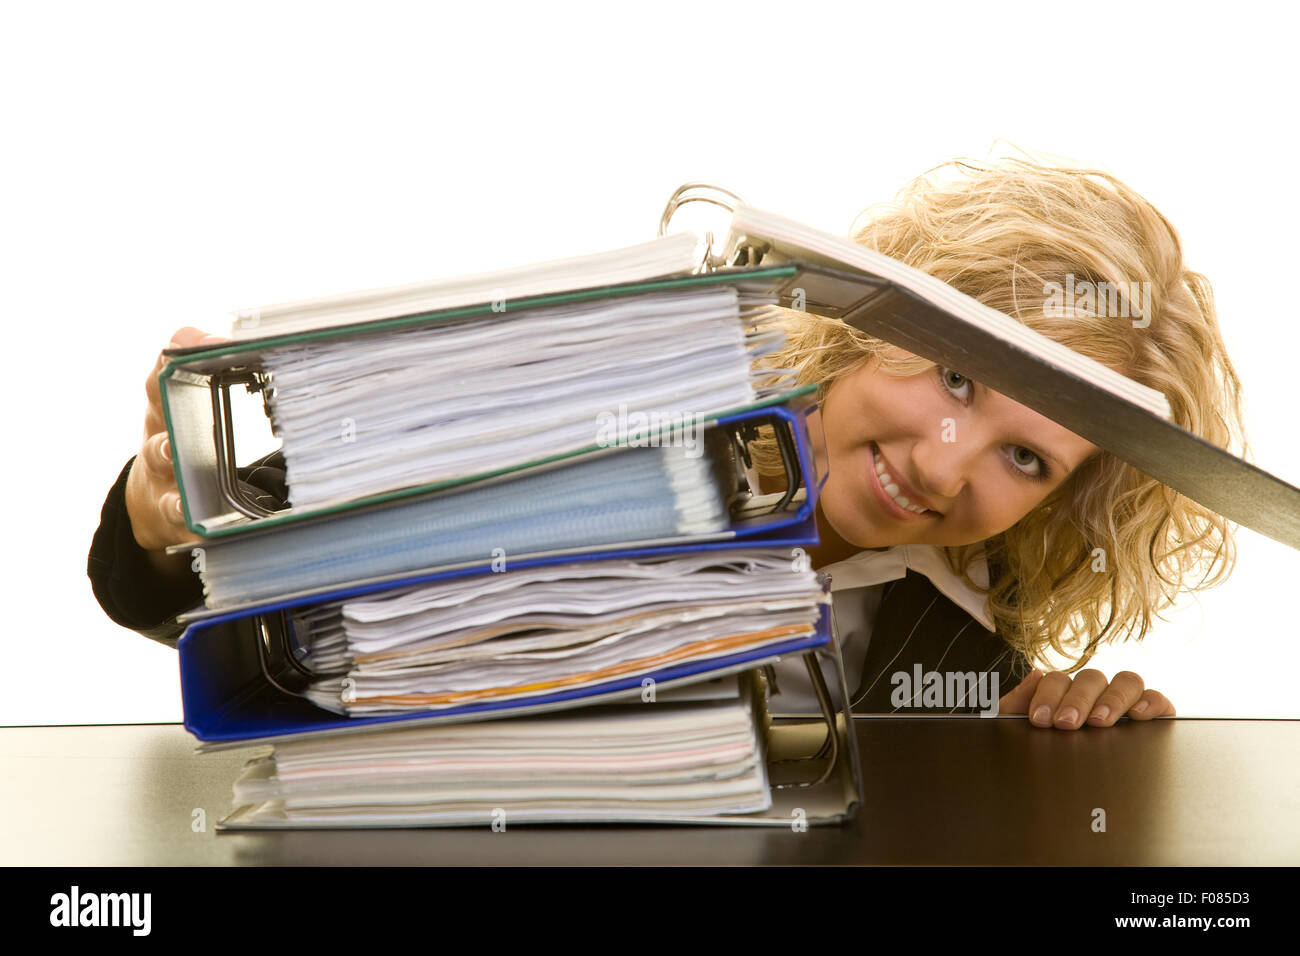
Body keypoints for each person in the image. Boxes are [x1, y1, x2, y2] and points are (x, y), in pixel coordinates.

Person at [88, 158, 1241, 729]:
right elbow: (247, 610)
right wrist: (158, 521)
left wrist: (1050, 744)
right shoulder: (633, 386)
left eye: (1027, 459)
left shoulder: (960, 632)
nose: (946, 462)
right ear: (883, 309)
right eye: (953, 374)